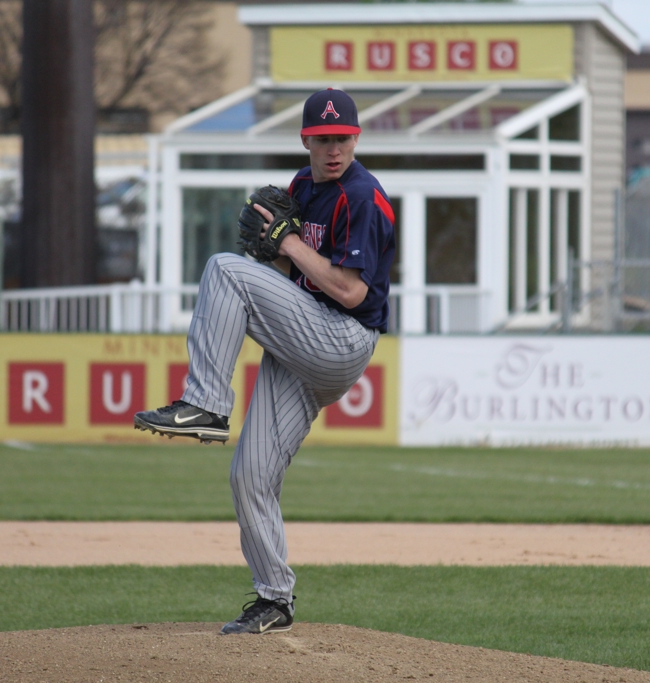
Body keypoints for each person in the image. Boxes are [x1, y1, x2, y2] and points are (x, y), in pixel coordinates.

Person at [134, 88, 396, 633]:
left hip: (342, 336)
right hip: (301, 337)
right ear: (305, 139)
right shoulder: (302, 187)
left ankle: (205, 404)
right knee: (250, 475)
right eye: (323, 138)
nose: (333, 149)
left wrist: (292, 247)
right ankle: (274, 599)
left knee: (224, 270)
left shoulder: (364, 196)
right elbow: (282, 260)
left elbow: (349, 292)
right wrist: (275, 247)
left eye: (342, 138)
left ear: (356, 139)